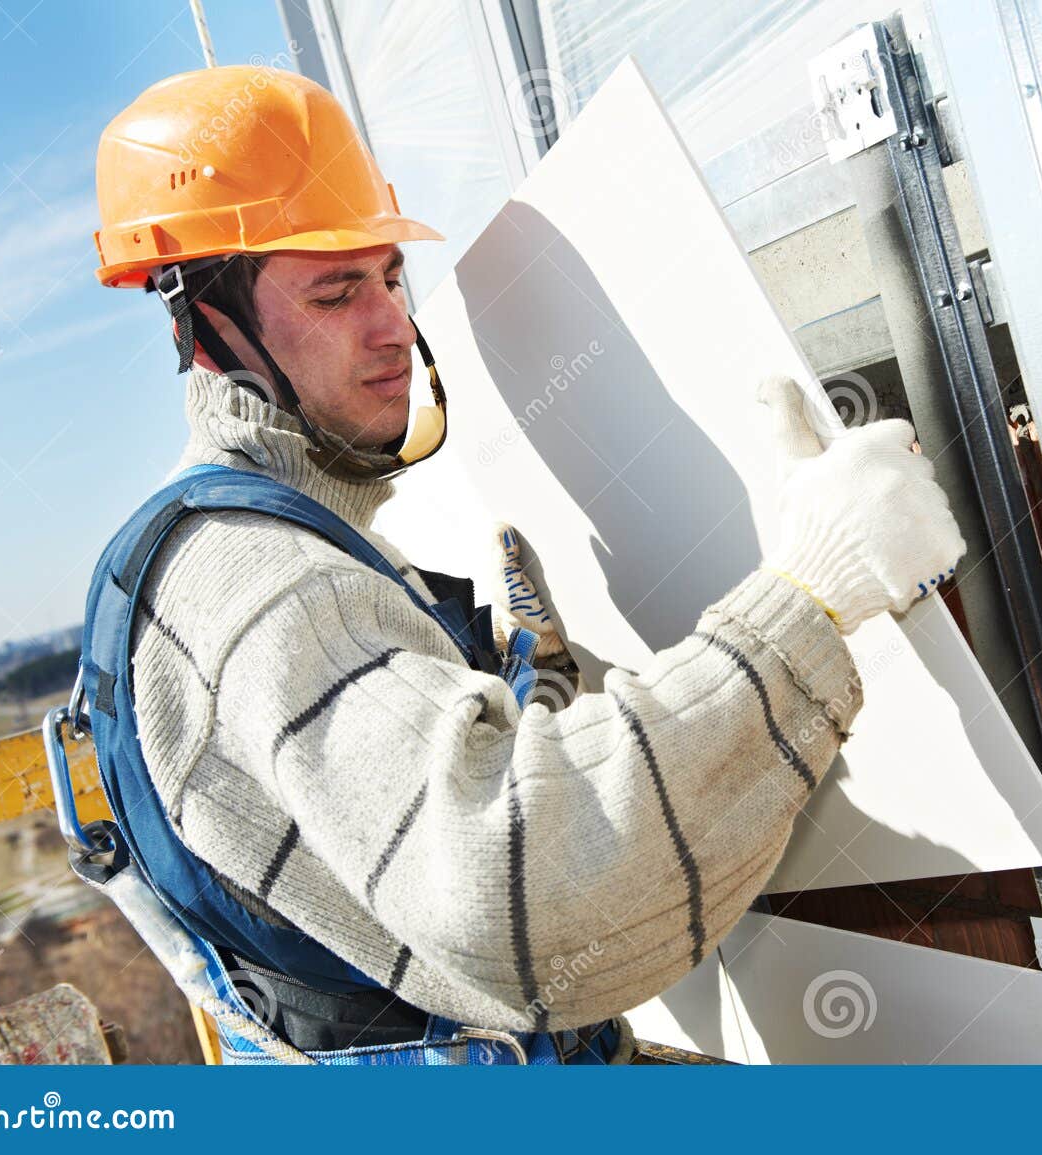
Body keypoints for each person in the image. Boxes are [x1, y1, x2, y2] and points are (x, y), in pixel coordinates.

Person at [88, 65, 965, 1065]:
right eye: (335, 292)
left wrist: (525, 694)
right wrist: (814, 594)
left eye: (386, 278)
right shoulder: (269, 583)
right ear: (206, 329)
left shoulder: (207, 545)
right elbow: (523, 901)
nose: (386, 326)